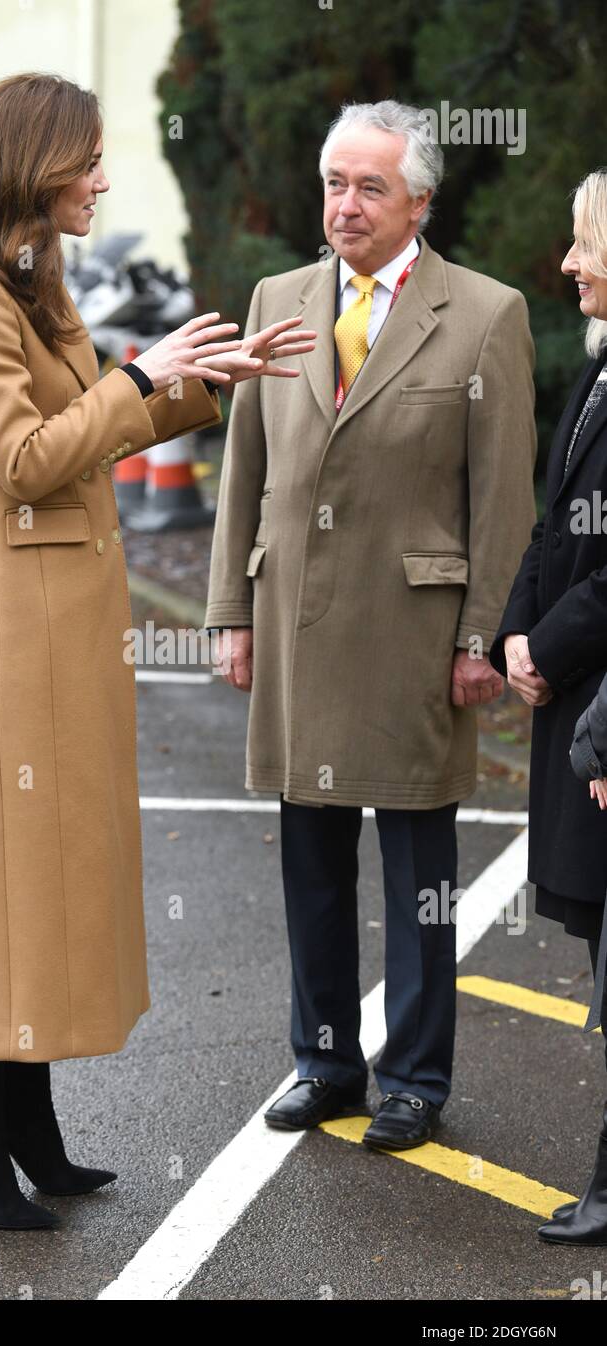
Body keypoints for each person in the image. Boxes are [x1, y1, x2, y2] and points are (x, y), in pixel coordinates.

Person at [0, 71, 315, 1231]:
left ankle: (26, 1121)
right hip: (14, 636)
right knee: (2, 882)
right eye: (90, 162)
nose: (104, 181)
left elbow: (91, 422)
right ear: (38, 161)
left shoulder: (31, 279)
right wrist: (137, 376)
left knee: (50, 877)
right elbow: (25, 456)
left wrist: (190, 383)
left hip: (65, 626)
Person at [204, 99, 537, 1150]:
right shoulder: (279, 296)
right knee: (307, 860)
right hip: (293, 628)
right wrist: (227, 614)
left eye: (369, 187)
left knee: (418, 878)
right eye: (333, 184)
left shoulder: (484, 315)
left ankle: (413, 1079)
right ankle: (322, 1061)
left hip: (414, 637)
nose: (344, 206)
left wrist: (481, 636)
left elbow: (502, 501)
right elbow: (241, 475)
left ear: (419, 201)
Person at [489, 168, 607, 1246]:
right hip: (569, 698)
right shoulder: (596, 369)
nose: (568, 264)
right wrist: (512, 634)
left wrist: (550, 641)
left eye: (584, 244)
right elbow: (550, 524)